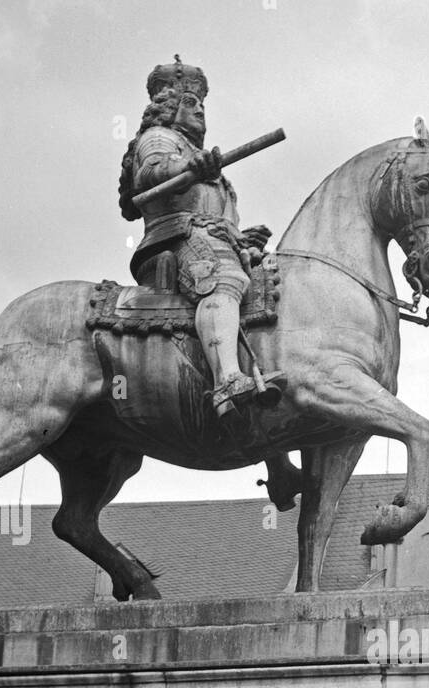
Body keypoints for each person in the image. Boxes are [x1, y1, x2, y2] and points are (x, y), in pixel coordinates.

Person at [118, 57, 270, 418]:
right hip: (175, 238)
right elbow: (150, 173)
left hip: (214, 240)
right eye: (190, 102)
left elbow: (219, 217)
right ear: (168, 108)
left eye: (202, 104)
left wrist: (243, 238)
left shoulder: (202, 159)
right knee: (224, 278)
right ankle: (227, 381)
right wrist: (187, 166)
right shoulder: (160, 138)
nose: (200, 109)